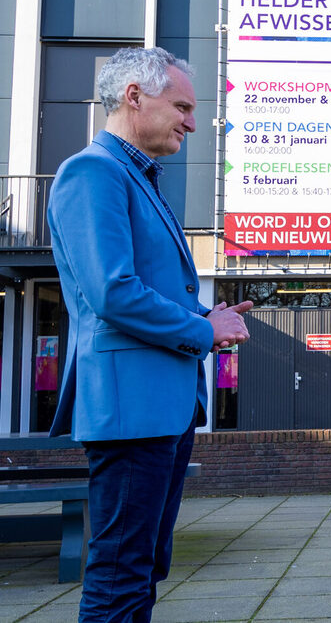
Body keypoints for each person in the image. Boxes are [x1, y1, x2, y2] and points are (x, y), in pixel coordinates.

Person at [46, 46, 254, 623]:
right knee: (120, 574)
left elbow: (138, 289)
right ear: (134, 96)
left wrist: (207, 320)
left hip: (159, 407)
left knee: (143, 568)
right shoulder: (93, 172)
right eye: (182, 106)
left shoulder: (135, 176)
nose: (192, 120)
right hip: (131, 408)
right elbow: (111, 292)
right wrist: (201, 328)